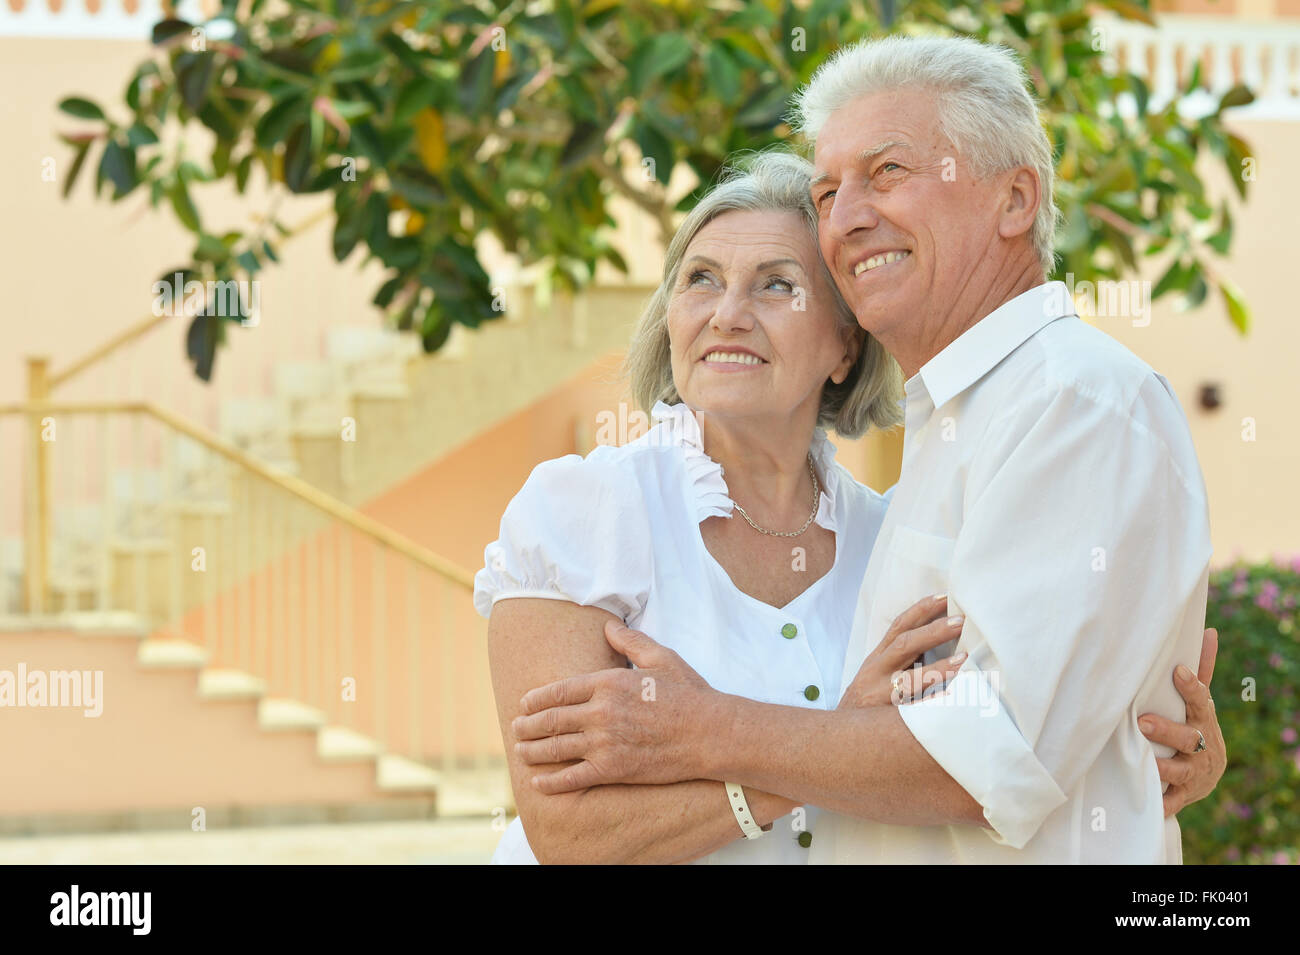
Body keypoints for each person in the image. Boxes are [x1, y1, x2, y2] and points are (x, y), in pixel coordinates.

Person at [479, 139, 1225, 862]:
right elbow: (570, 837)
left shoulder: (900, 533)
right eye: (700, 279)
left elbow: (1014, 731)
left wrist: (1141, 741)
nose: (728, 314)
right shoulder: (582, 510)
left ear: (845, 345)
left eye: (777, 284)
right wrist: (830, 742)